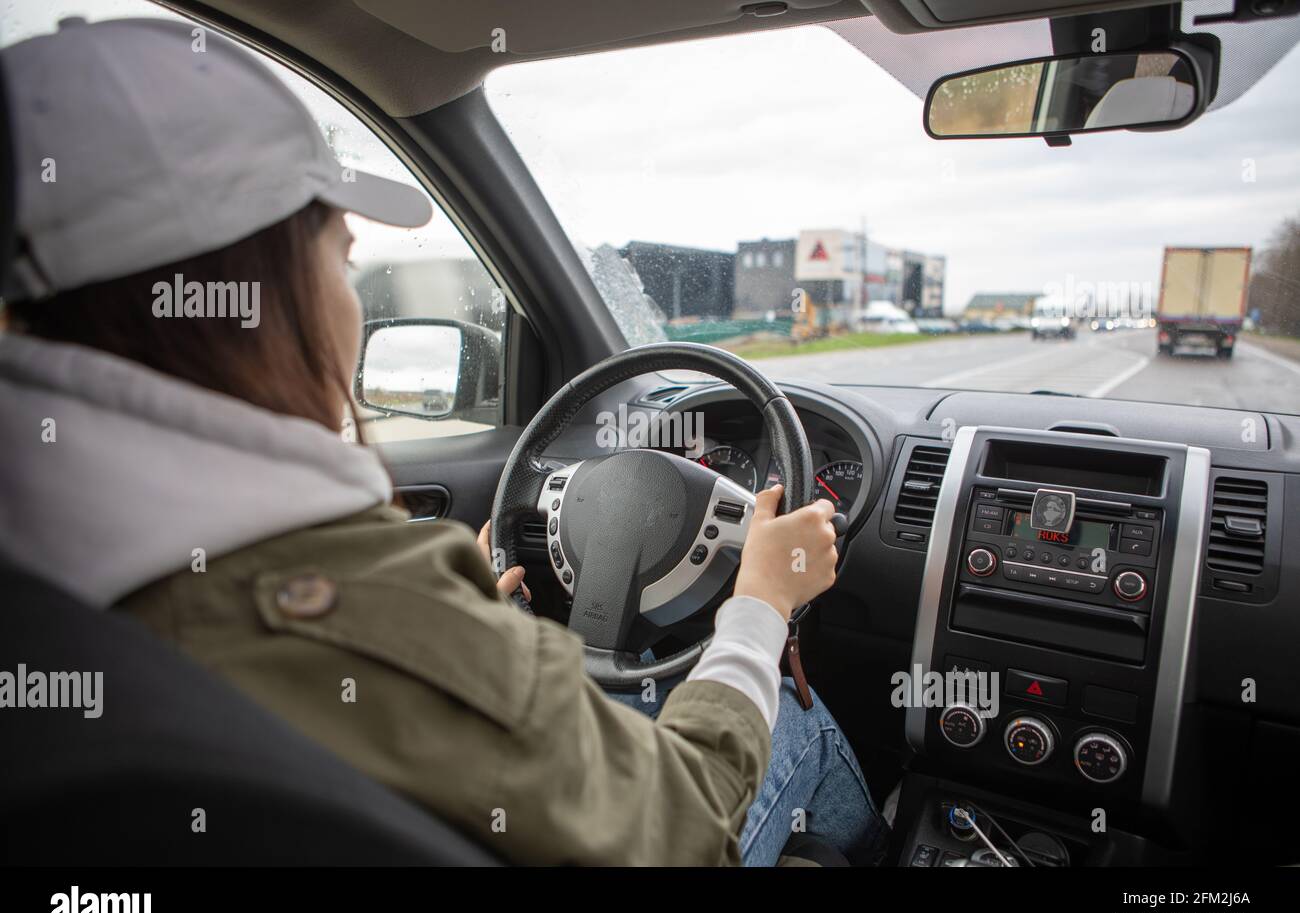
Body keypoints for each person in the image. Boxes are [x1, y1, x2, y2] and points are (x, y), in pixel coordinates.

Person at [0, 17, 885, 865]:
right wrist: (763, 604)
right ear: (266, 291)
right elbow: (678, 823)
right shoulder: (351, 604)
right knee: (790, 722)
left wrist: (469, 642)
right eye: (339, 256)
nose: (348, 296)